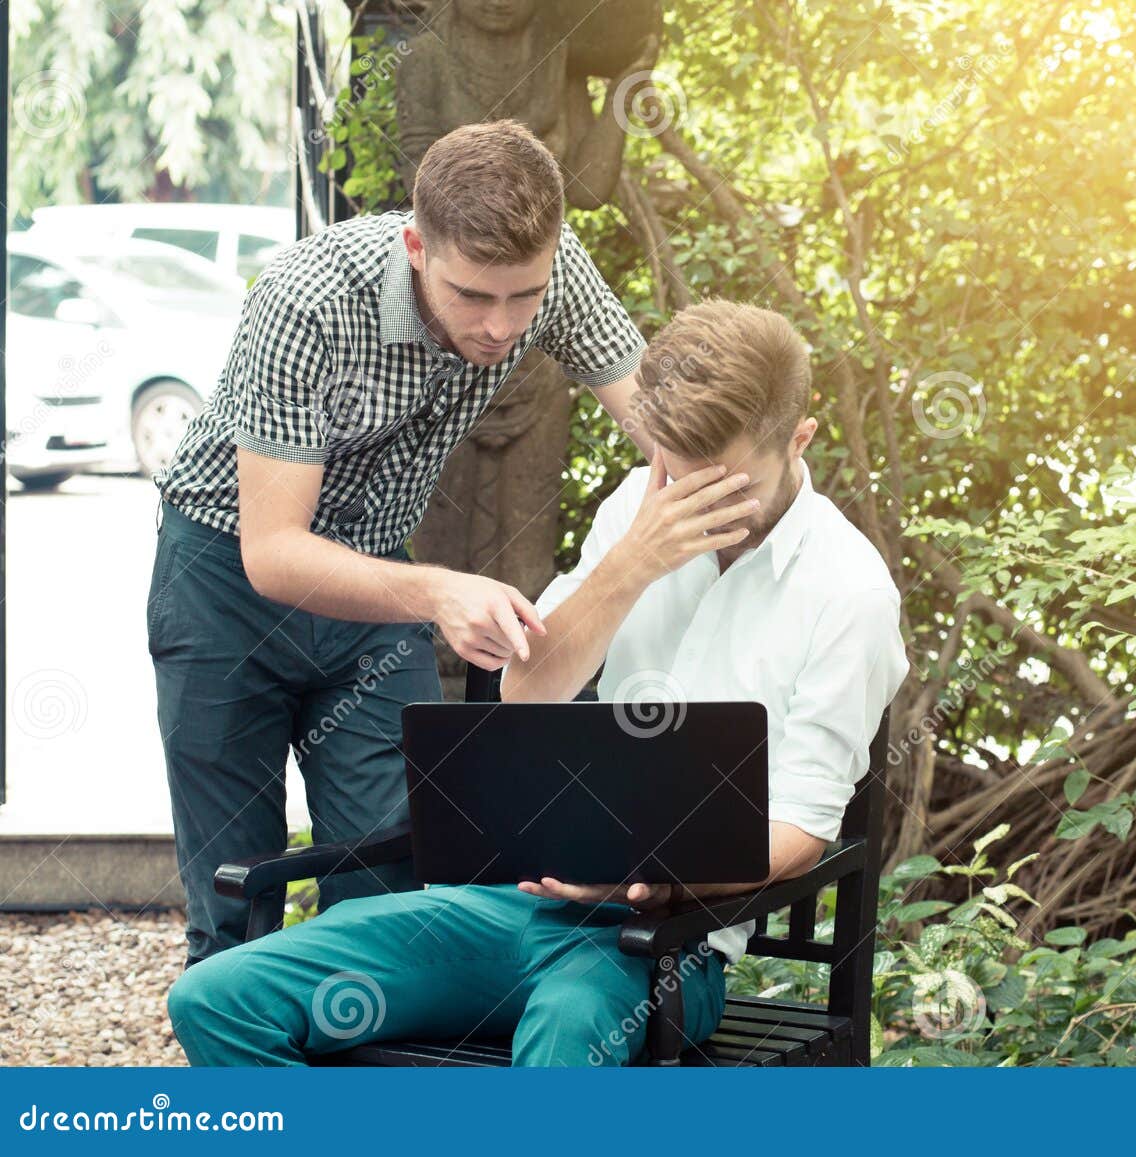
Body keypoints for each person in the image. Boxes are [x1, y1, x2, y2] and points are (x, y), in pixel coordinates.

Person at [165, 300, 910, 1066]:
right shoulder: (636, 505)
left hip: (655, 948)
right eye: (680, 478)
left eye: (730, 487)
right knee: (217, 999)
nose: (695, 508)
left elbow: (801, 830)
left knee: (561, 1043)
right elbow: (524, 694)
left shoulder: (848, 593)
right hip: (507, 906)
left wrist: (654, 874)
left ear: (800, 440)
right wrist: (632, 564)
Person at [148, 119, 653, 966]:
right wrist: (440, 593)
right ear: (417, 246)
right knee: (237, 905)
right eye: (474, 296)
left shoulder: (549, 271)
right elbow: (274, 552)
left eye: (523, 298)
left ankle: (375, 1099)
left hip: (373, 594)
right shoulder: (306, 298)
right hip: (223, 581)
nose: (502, 327)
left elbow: (662, 424)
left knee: (395, 899)